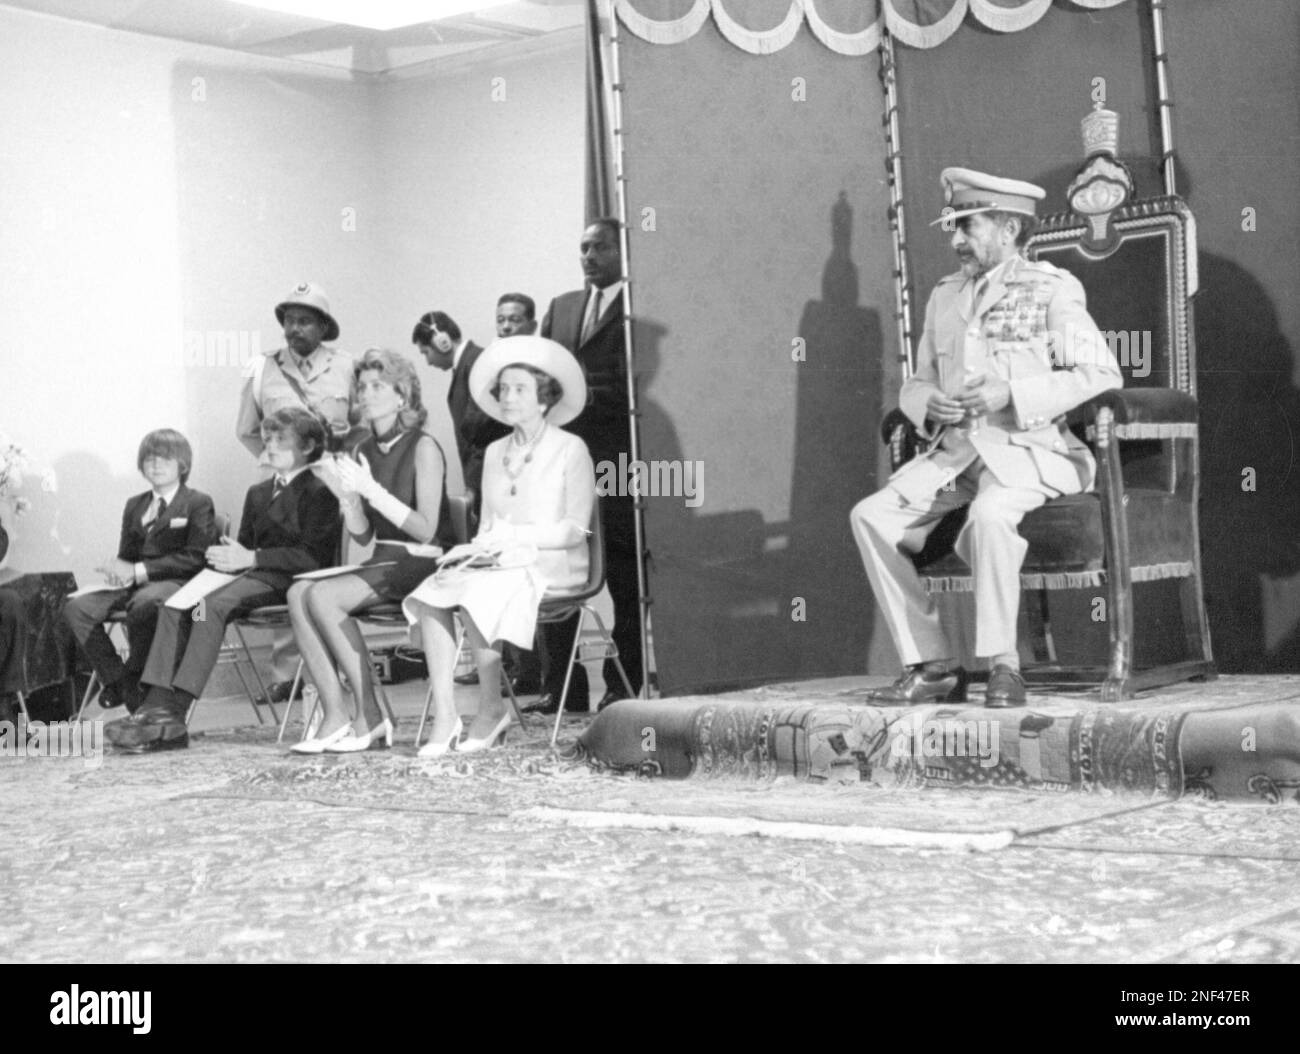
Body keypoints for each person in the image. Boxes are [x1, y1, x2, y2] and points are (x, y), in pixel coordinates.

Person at [850, 167, 1123, 708]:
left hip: (1030, 453)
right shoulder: (943, 297)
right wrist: (928, 403)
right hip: (955, 457)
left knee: (992, 515)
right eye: (954, 226)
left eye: (966, 226)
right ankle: (934, 665)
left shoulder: (1050, 289)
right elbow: (917, 381)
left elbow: (1101, 374)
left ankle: (1004, 666)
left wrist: (1013, 393)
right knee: (871, 517)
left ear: (1007, 228)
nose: (955, 240)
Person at [105, 408, 340, 752]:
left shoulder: (320, 491)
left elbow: (314, 557)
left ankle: (173, 709)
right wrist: (226, 558)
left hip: (289, 581)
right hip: (248, 576)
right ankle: (156, 703)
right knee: (180, 604)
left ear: (307, 447)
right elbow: (242, 545)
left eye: (281, 440)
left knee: (208, 607)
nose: (270, 445)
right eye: (268, 438)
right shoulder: (258, 493)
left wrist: (252, 558)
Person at [403, 335, 594, 757]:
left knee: (476, 593)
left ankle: (491, 710)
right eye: (503, 389)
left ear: (544, 399)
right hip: (502, 562)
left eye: (519, 389)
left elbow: (574, 532)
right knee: (436, 591)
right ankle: (447, 716)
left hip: (554, 565)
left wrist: (515, 539)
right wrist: (476, 551)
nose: (507, 397)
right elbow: (489, 523)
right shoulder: (492, 452)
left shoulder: (571, 448)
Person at [286, 349, 457, 754]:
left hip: (423, 559)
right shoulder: (362, 446)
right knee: (297, 593)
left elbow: (427, 528)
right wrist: (347, 499)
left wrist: (371, 491)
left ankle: (368, 715)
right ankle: (335, 714)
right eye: (362, 387)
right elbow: (363, 537)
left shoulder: (424, 446)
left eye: (378, 386)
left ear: (403, 395)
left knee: (323, 596)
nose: (366, 394)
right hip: (384, 558)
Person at [532, 218, 642, 715]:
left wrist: (581, 396)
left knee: (622, 574)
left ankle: (625, 686)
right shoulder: (561, 308)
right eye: (583, 247)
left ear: (622, 252)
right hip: (561, 463)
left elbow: (641, 381)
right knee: (554, 569)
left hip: (619, 461)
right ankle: (563, 689)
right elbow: (540, 372)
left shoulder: (641, 303)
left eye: (600, 247)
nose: (588, 256)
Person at [236, 281, 360, 703]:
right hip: (285, 484)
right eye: (288, 320)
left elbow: (362, 425)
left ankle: (329, 666)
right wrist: (278, 461)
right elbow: (246, 429)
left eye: (304, 320)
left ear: (323, 326)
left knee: (321, 570)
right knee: (280, 567)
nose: (294, 328)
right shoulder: (262, 367)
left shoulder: (348, 367)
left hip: (328, 484)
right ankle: (287, 674)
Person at [63, 429, 217, 713]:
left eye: (165, 459)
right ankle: (120, 681)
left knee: (146, 602)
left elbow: (196, 558)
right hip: (134, 584)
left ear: (182, 465)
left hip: (178, 584)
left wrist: (138, 570)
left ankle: (140, 684)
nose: (156, 465)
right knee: (76, 608)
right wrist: (118, 570)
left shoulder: (197, 502)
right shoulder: (135, 504)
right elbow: (127, 557)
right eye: (149, 459)